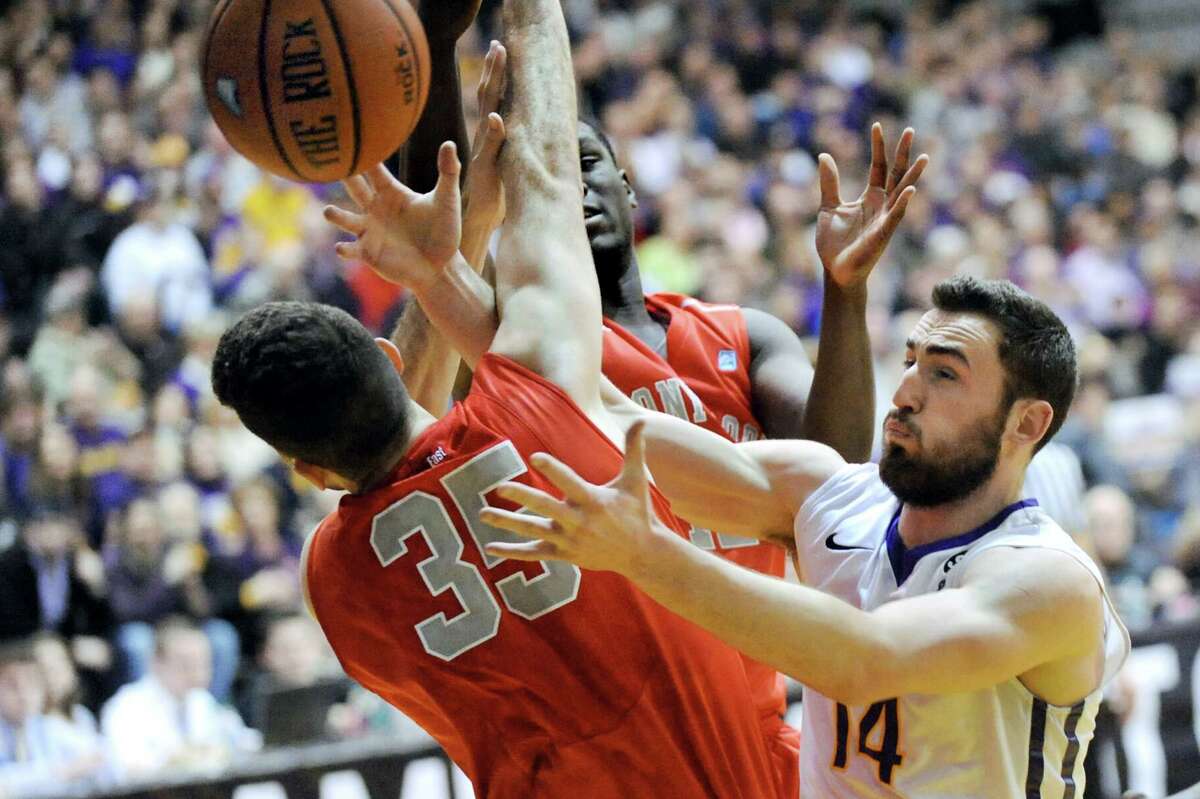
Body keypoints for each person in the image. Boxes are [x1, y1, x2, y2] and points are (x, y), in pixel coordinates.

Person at [210, 0, 778, 794]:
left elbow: (397, 438)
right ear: (377, 351)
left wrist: (459, 245)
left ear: (307, 470)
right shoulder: (539, 394)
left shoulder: (333, 588)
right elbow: (544, 165)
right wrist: (459, 238)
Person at [398, 5, 925, 791]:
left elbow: (840, 474)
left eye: (586, 167)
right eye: (543, 182)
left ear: (627, 188)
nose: (567, 190)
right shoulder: (509, 345)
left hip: (748, 715)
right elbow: (429, 237)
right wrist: (434, 47)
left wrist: (844, 294)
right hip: (612, 731)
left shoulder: (740, 334)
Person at [483, 276, 1131, 798]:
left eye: (944, 374)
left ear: (1027, 422)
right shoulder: (833, 493)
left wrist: (647, 553)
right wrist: (442, 280)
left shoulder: (1048, 579)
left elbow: (866, 660)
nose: (904, 391)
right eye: (910, 361)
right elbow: (604, 415)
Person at [99, 617, 258, 780]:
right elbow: (129, 771)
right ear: (156, 662)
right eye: (186, 664)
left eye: (203, 664)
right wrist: (179, 760)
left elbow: (243, 741)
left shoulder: (201, 700)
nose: (197, 673)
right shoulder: (125, 707)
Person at [0, 638, 108, 797]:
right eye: (12, 685)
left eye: (30, 682)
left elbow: (99, 758)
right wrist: (59, 773)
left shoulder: (47, 726)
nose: (23, 693)